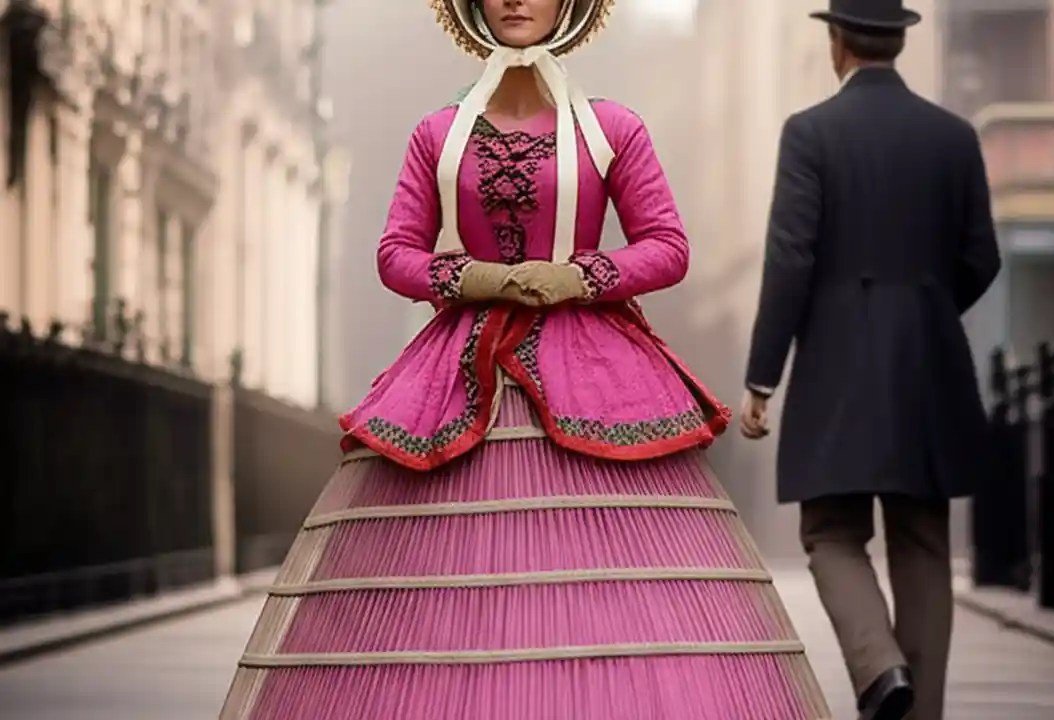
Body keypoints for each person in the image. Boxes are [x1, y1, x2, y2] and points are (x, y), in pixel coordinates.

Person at [219, 1, 830, 718]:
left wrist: (577, 277)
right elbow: (395, 253)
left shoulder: (613, 128)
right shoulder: (438, 133)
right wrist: (475, 277)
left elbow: (667, 246)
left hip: (591, 366)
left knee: (598, 576)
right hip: (461, 365)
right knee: (452, 580)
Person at [739, 1, 1002, 719]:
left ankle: (878, 666)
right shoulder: (953, 136)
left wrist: (763, 378)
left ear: (837, 42)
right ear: (899, 42)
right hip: (928, 364)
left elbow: (789, 259)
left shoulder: (810, 133)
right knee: (922, 542)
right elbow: (982, 257)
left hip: (836, 365)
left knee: (830, 531)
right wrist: (925, 306)